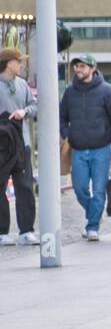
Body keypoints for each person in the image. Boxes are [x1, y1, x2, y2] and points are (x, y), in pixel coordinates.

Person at [59, 54, 111, 242]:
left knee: (99, 189)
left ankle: (92, 226)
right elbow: (61, 116)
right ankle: (94, 212)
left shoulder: (107, 91)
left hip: (102, 148)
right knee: (79, 189)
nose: (78, 70)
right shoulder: (70, 92)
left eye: (82, 66)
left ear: (92, 68)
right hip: (77, 149)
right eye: (76, 67)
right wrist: (67, 134)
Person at [0, 47, 38, 246]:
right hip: (2, 146)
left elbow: (34, 105)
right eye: (18, 61)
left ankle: (26, 230)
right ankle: (2, 232)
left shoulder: (23, 84)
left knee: (25, 186)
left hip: (22, 144)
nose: (21, 65)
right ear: (9, 63)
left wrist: (25, 111)